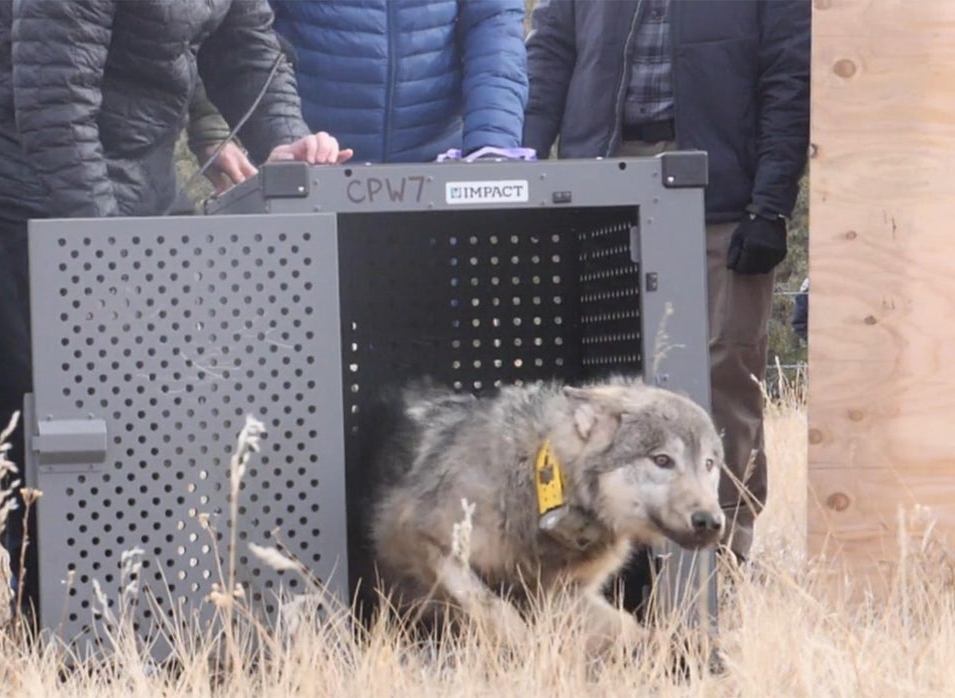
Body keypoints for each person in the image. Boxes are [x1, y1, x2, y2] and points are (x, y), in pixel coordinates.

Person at [0, 0, 353, 626]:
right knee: (48, 386)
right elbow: (55, 105)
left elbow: (246, 42)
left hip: (137, 148)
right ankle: (49, 614)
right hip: (19, 156)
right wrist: (109, 266)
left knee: (162, 385)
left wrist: (285, 135)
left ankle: (158, 604)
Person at [0, 0, 260, 458]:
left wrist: (209, 123)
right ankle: (26, 503)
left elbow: (189, 19)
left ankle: (145, 498)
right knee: (24, 373)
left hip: (130, 138)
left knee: (146, 368)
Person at [522, 0, 811, 566]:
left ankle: (721, 562)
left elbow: (789, 74)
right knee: (596, 380)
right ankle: (599, 565)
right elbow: (551, 49)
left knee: (724, 375)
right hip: (598, 176)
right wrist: (521, 162)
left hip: (721, 186)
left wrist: (770, 205)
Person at [266, 0, 529, 163]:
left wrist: (491, 145)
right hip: (314, 166)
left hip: (437, 168)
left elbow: (495, 30)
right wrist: (289, 140)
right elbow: (254, 37)